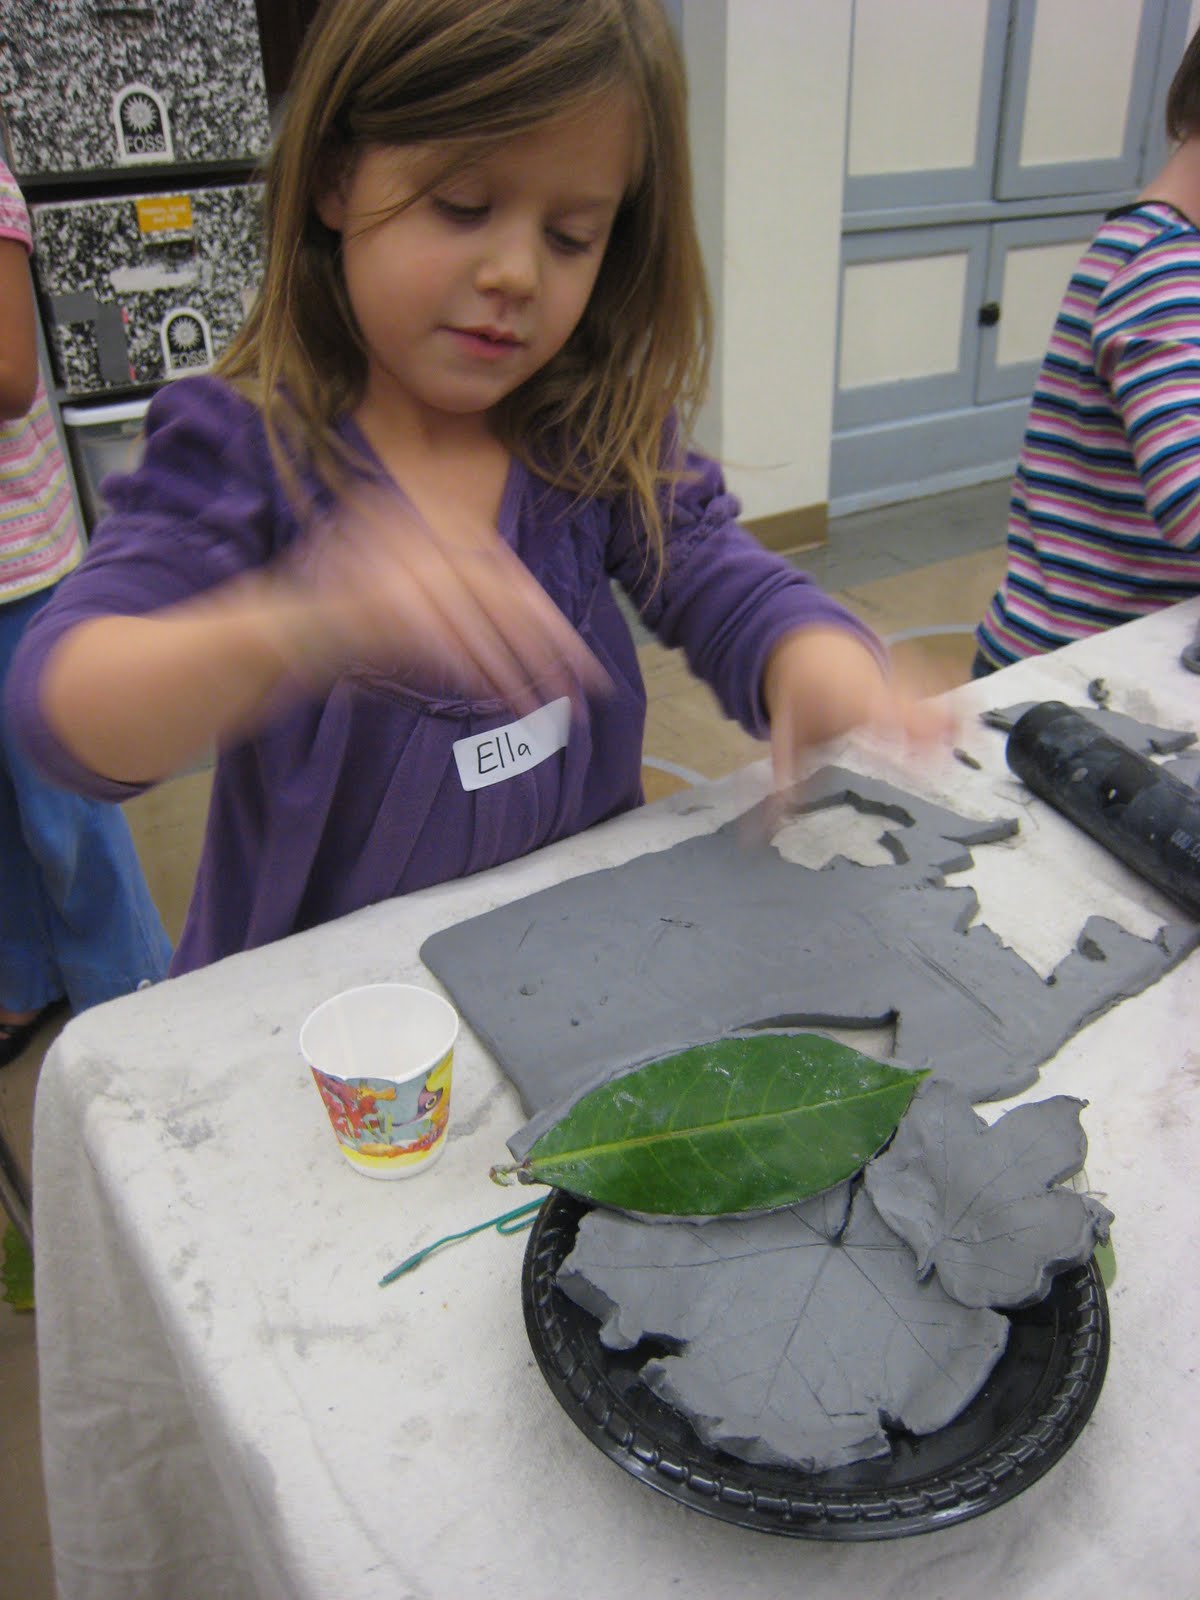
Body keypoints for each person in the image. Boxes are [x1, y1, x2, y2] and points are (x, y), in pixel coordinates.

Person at [7, 0, 944, 979]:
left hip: (565, 965)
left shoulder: (594, 431)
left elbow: (716, 571)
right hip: (329, 1025)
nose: (514, 273)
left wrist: (813, 655)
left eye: (572, 235)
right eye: (460, 207)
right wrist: (308, 620)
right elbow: (63, 711)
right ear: (335, 178)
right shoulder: (243, 446)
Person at [0, 156, 171, 1064]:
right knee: (8, 812)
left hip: (17, 560)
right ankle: (31, 984)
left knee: (63, 806)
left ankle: (133, 984)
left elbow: (11, 376)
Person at [974, 27, 1200, 675]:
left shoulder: (1145, 240)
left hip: (1081, 653)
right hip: (1076, 671)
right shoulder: (1168, 269)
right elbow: (1191, 498)